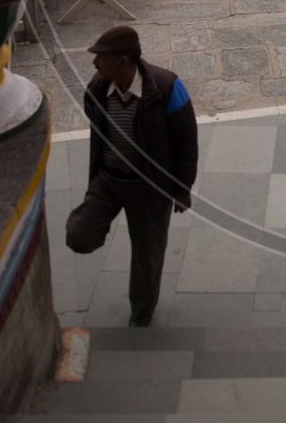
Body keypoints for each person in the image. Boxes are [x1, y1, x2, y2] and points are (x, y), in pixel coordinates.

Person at [65, 25, 197, 327]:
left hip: (149, 188)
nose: (95, 64)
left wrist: (181, 189)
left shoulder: (167, 89)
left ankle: (141, 313)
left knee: (148, 256)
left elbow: (187, 143)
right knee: (78, 233)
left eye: (101, 58)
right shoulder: (97, 90)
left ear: (123, 61)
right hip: (108, 180)